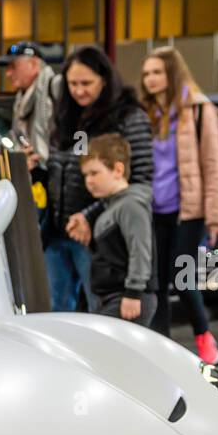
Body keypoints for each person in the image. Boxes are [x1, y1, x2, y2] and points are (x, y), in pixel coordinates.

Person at [45, 45, 153, 313]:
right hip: (59, 231)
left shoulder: (129, 117)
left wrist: (88, 216)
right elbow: (72, 164)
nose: (79, 90)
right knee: (57, 309)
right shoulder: (71, 116)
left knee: (99, 310)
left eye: (86, 83)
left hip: (97, 236)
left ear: (104, 80)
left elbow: (139, 180)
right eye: (72, 84)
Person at [139, 46, 218, 364]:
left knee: (182, 274)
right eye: (146, 73)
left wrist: (216, 215)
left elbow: (213, 164)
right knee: (157, 280)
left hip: (188, 210)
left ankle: (203, 336)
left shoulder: (200, 110)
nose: (150, 79)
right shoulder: (146, 113)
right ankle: (162, 344)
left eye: (157, 72)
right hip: (154, 209)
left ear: (172, 74)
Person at [80, 134, 156, 326]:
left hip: (127, 298)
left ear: (118, 169)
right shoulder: (112, 206)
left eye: (94, 173)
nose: (88, 181)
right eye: (85, 175)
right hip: (112, 297)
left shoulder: (130, 205)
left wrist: (133, 293)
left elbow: (140, 251)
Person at [0, 42, 57, 171]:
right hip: (34, 172)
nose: (8, 73)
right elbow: (18, 136)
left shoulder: (55, 89)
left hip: (51, 173)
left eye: (13, 66)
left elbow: (78, 134)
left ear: (34, 65)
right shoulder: (21, 98)